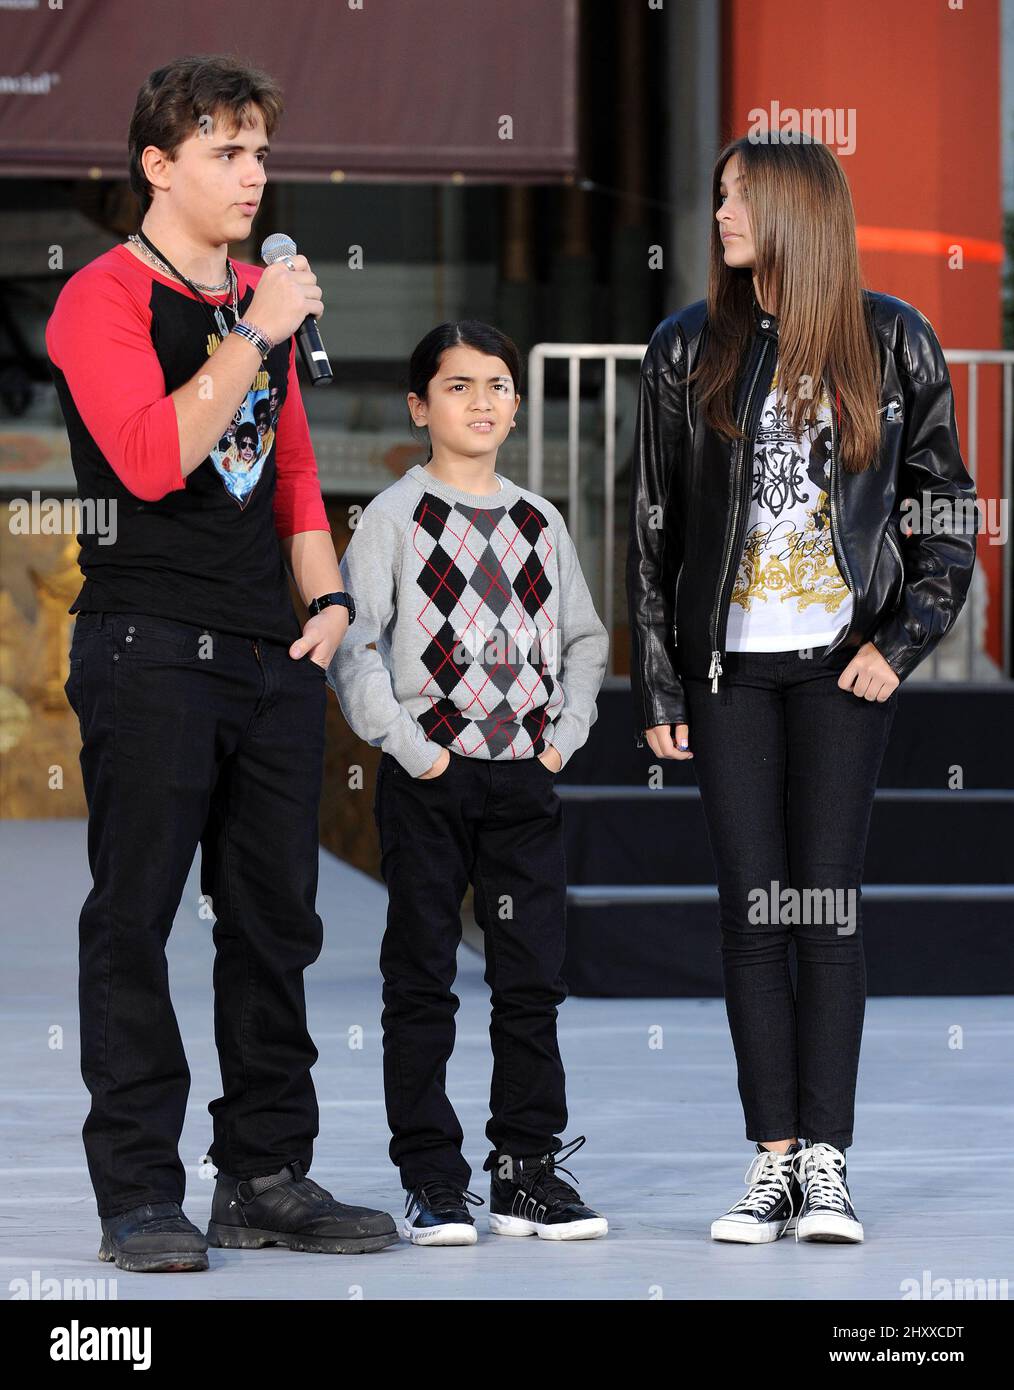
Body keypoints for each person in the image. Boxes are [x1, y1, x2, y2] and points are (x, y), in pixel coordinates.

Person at [47, 54, 397, 1271]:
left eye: (260, 151)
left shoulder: (266, 297)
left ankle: (264, 1171)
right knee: (133, 918)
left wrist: (332, 596)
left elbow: (290, 469)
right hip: (149, 648)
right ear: (159, 165)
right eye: (226, 152)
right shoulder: (99, 298)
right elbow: (151, 455)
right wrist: (252, 328)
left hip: (270, 653)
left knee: (275, 926)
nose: (253, 174)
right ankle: (139, 1190)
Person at [626, 131, 977, 1245]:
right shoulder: (686, 348)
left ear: (795, 209)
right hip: (726, 672)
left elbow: (943, 512)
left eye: (737, 199)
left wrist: (905, 639)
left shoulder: (893, 339)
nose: (720, 215)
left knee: (823, 908)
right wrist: (661, 682)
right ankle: (769, 1161)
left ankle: (827, 1161)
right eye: (719, 197)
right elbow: (652, 529)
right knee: (750, 913)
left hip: (839, 674)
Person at [330, 321, 611, 1245]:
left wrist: (563, 737)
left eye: (497, 384)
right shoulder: (394, 518)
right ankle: (432, 1178)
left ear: (517, 403)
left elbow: (584, 638)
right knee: (422, 979)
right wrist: (415, 750)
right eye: (458, 387)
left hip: (525, 781)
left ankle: (525, 1170)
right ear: (420, 407)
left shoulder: (540, 522)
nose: (482, 401)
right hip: (431, 781)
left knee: (531, 979)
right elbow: (357, 644)